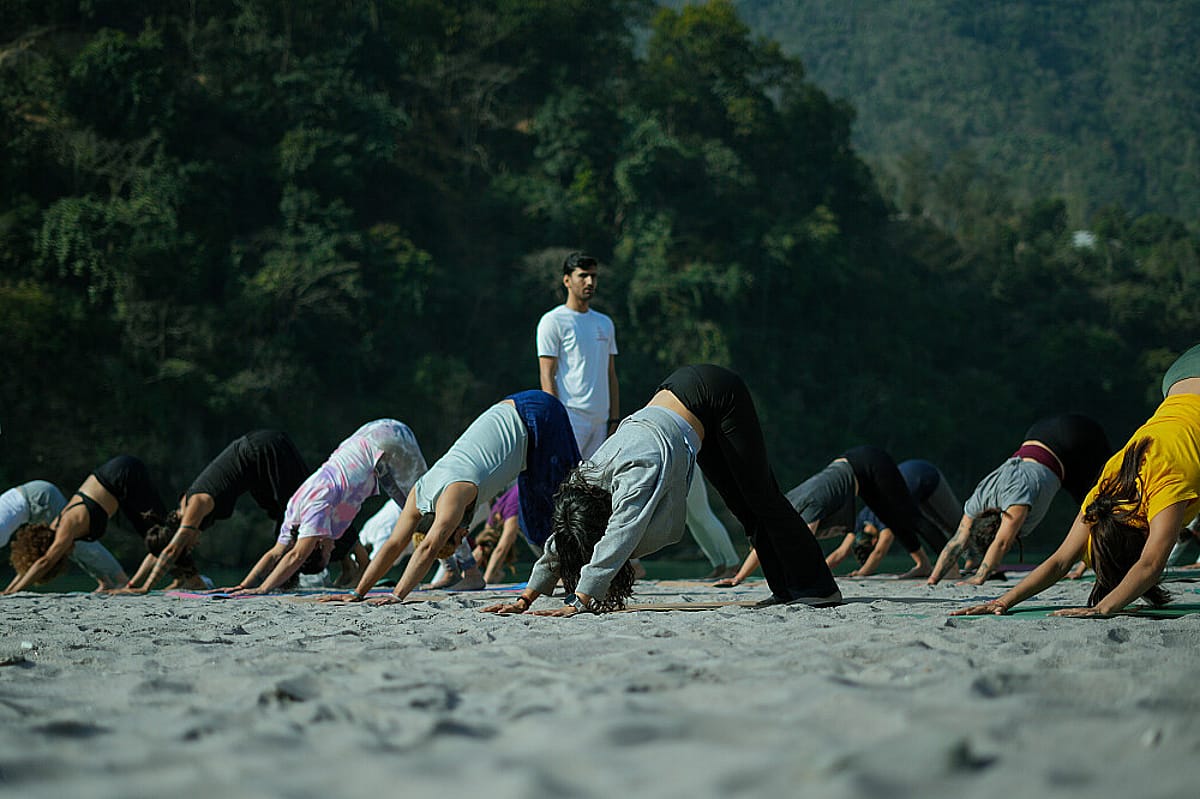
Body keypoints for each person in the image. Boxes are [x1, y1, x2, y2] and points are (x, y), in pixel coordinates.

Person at [481, 364, 841, 616]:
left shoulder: (638, 471)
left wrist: (582, 599)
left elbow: (622, 532)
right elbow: (565, 536)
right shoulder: (587, 481)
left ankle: (819, 587)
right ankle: (785, 589)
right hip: (680, 404)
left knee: (761, 496)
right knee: (740, 503)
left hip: (716, 393)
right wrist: (527, 596)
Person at [954, 349, 1200, 617]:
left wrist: (1103, 608)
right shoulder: (1106, 492)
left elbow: (1150, 564)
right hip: (1178, 376)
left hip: (1180, 381)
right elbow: (1060, 561)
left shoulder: (1161, 487)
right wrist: (1002, 601)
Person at [324, 390, 581, 604]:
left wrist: (397, 595)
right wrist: (358, 593)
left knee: (561, 508)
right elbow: (392, 545)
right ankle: (567, 573)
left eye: (457, 538)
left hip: (537, 415)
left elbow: (428, 547)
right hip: (517, 416)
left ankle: (585, 573)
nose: (464, 537)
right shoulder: (420, 496)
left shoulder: (453, 496)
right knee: (532, 521)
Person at [222, 419, 427, 594]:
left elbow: (296, 555)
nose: (333, 549)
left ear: (317, 544)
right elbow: (275, 553)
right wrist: (243, 585)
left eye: (327, 555)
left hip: (386, 438)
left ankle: (455, 567)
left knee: (426, 504)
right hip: (370, 437)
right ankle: (453, 566)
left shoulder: (315, 513)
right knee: (411, 506)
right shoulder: (294, 515)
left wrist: (262, 589)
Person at [928, 413, 1110, 586]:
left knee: (1101, 503)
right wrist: (933, 579)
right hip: (1040, 434)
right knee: (1087, 505)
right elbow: (957, 541)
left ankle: (1092, 563)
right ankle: (1081, 567)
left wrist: (979, 577)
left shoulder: (1015, 503)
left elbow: (1001, 542)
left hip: (1077, 435)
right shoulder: (978, 502)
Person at [119, 430, 310, 593]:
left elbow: (170, 550)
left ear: (182, 532)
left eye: (189, 545)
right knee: (285, 517)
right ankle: (287, 579)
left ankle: (323, 569)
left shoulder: (195, 505)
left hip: (263, 449)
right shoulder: (186, 510)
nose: (196, 544)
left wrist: (146, 588)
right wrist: (131, 585)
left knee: (300, 511)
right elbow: (161, 550)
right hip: (256, 467)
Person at [4, 456, 168, 594]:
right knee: (157, 537)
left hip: (122, 474)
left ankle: (185, 578)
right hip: (118, 480)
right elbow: (38, 562)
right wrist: (9, 590)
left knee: (161, 534)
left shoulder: (64, 530)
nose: (68, 555)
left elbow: (43, 562)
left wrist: (14, 592)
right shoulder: (59, 529)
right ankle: (138, 584)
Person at [537, 251, 620, 459]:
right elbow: (547, 374)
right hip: (571, 416)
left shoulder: (605, 323)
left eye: (593, 276)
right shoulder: (553, 321)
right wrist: (555, 420)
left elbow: (611, 374)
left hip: (601, 420)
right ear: (567, 280)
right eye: (583, 276)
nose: (590, 281)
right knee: (562, 481)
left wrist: (615, 419)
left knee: (593, 486)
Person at [825, 459, 962, 576]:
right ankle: (924, 565)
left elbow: (879, 552)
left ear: (874, 541)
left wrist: (862, 573)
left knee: (957, 525)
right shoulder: (862, 519)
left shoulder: (884, 518)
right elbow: (841, 552)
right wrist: (822, 571)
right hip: (909, 478)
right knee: (928, 522)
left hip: (925, 475)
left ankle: (956, 566)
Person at [2, 480, 127, 590]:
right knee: (63, 545)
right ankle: (107, 580)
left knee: (73, 543)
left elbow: (38, 560)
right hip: (34, 494)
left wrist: (14, 591)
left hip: (40, 499)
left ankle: (120, 579)